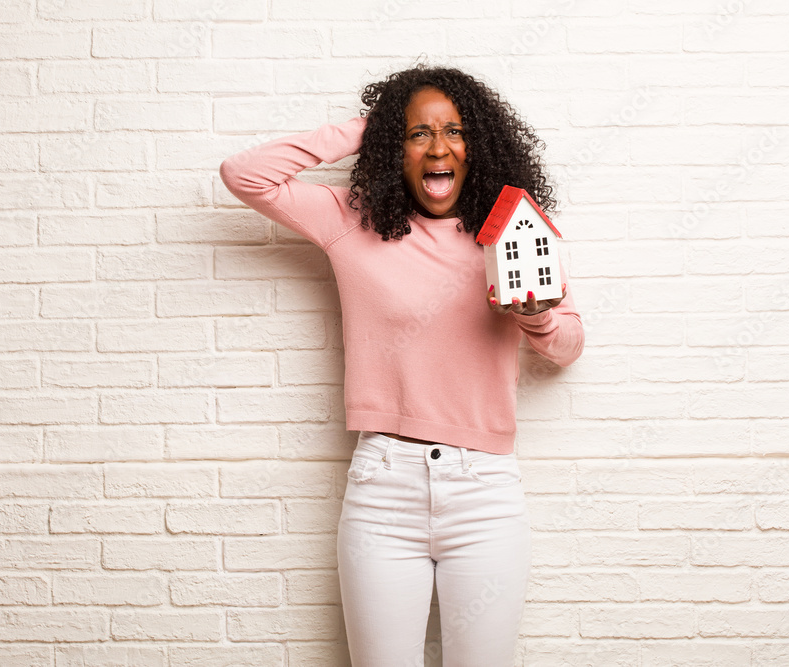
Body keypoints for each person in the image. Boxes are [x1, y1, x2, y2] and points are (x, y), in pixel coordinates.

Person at [219, 62, 584, 667]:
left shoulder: (511, 231)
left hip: (485, 491)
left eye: (456, 130)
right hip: (383, 487)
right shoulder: (351, 220)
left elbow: (568, 345)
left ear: (479, 144)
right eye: (418, 134)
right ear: (396, 146)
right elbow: (245, 175)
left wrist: (538, 318)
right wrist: (375, 126)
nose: (439, 147)